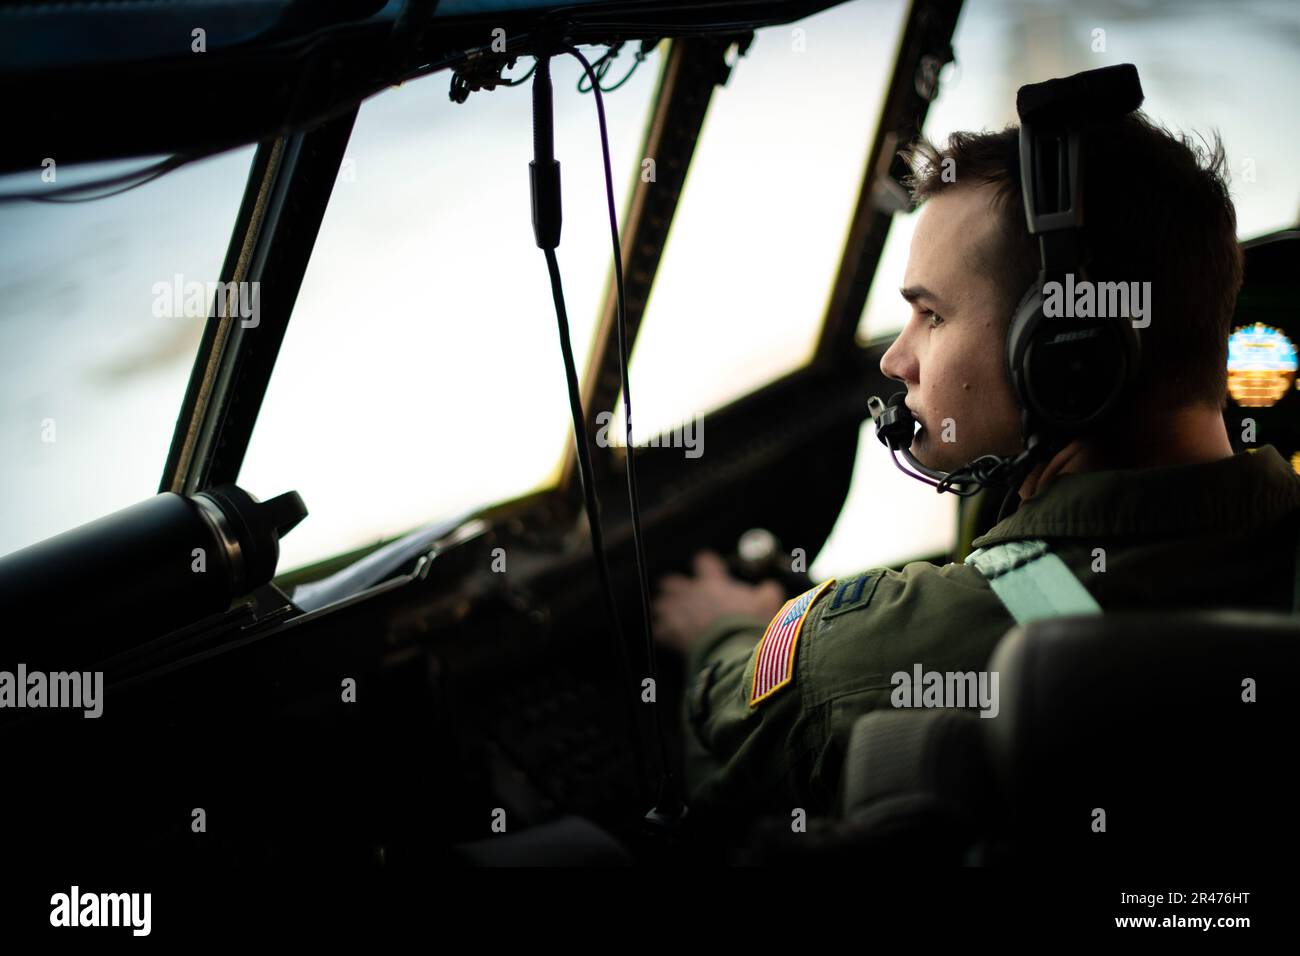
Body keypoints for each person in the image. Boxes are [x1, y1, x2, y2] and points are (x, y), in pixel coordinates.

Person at [651, 108, 1300, 820]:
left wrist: (721, 627)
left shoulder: (910, 648)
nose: (897, 360)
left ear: (1066, 354)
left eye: (930, 314)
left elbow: (740, 723)